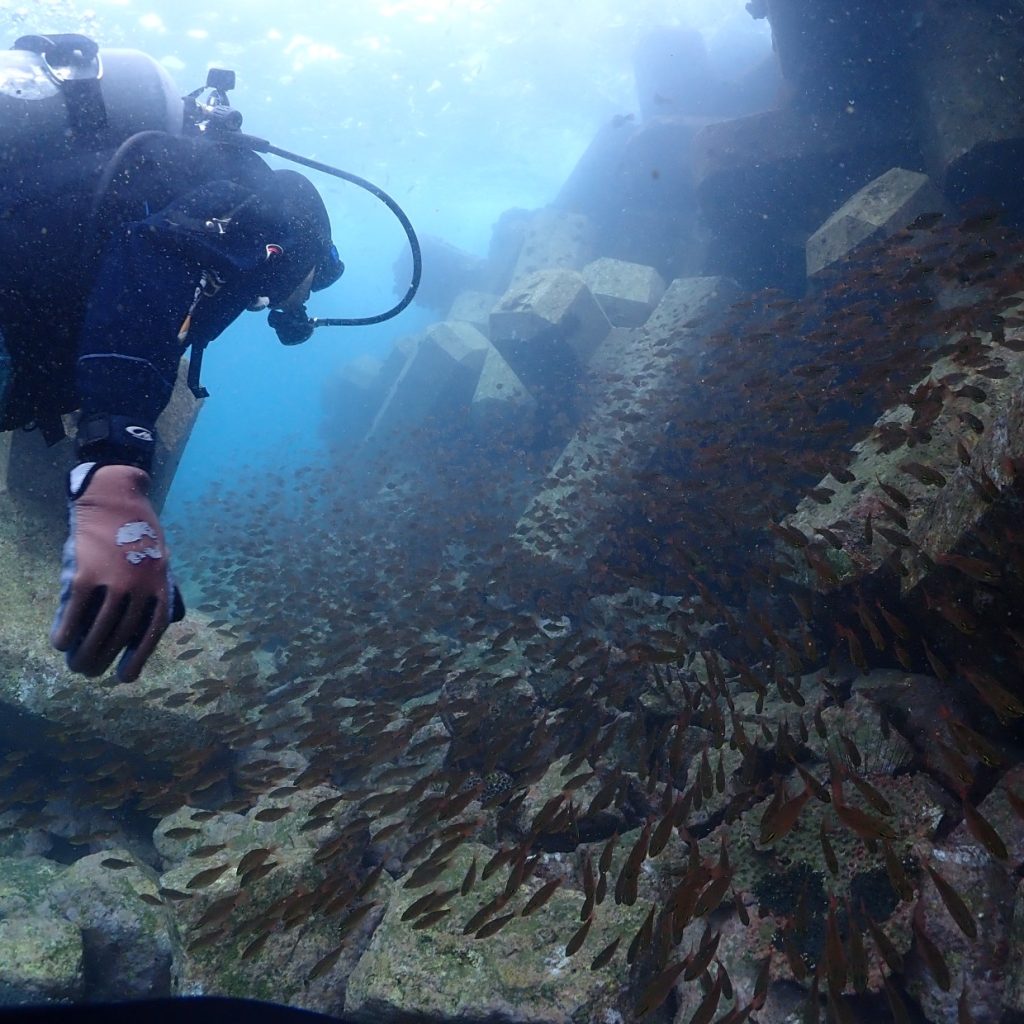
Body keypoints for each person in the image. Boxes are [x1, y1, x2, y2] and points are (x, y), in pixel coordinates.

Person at [0, 34, 344, 683]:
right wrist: (115, 470)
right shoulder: (278, 214)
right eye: (290, 293)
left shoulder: (158, 177)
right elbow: (161, 253)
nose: (277, 305)